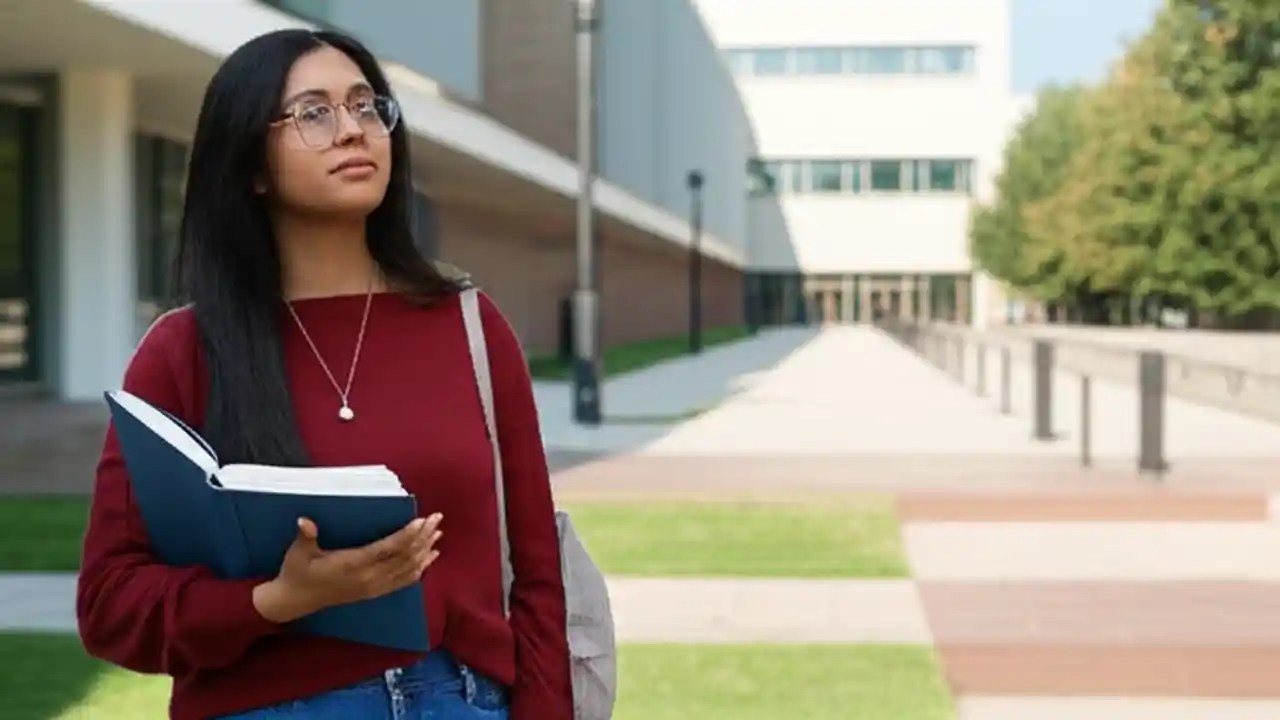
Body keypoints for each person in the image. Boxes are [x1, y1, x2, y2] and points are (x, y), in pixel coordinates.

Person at [75, 28, 573, 720]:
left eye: (368, 107)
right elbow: (110, 604)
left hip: (457, 699)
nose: (352, 130)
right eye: (314, 112)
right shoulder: (183, 351)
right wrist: (278, 600)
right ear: (251, 164)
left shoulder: (470, 326)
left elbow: (540, 574)